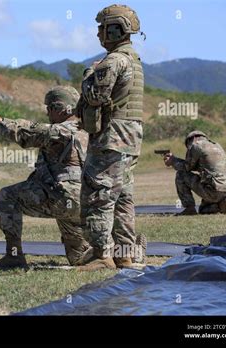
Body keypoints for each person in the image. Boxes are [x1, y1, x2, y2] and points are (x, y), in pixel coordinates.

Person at [0, 86, 93, 268]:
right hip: (84, 201)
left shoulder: (59, 131)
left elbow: (27, 133)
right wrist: (1, 120)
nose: (47, 113)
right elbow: (30, 128)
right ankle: (127, 250)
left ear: (59, 108)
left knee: (8, 196)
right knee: (79, 258)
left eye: (49, 108)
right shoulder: (85, 131)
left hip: (62, 197)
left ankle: (13, 256)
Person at [77, 4, 146, 271]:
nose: (98, 34)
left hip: (112, 136)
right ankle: (124, 255)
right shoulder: (134, 60)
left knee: (99, 194)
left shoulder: (114, 60)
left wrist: (88, 75)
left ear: (116, 29)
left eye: (102, 28)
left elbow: (96, 96)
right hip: (129, 136)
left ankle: (100, 255)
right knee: (123, 196)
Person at [163, 131, 226, 215]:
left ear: (193, 139)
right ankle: (222, 203)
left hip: (214, 189)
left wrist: (173, 161)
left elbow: (187, 167)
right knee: (203, 210)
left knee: (181, 175)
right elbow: (204, 167)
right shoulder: (216, 145)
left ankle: (189, 208)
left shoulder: (196, 145)